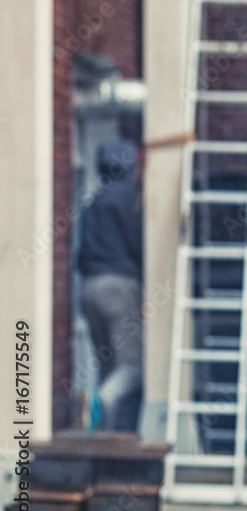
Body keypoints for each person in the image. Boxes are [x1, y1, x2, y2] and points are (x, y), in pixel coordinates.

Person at [78, 138, 144, 432]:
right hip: (118, 288)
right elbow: (140, 246)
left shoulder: (94, 202)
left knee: (107, 366)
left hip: (89, 289)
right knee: (131, 367)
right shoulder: (129, 199)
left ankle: (102, 431)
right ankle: (98, 401)